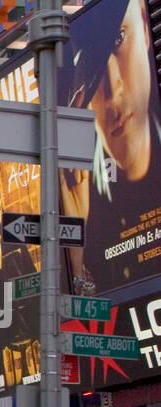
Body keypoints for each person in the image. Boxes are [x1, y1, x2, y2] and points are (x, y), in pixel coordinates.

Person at [60, 0, 161, 295]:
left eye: (119, 39)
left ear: (144, 23)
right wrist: (75, 259)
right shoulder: (75, 195)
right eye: (90, 71)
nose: (112, 90)